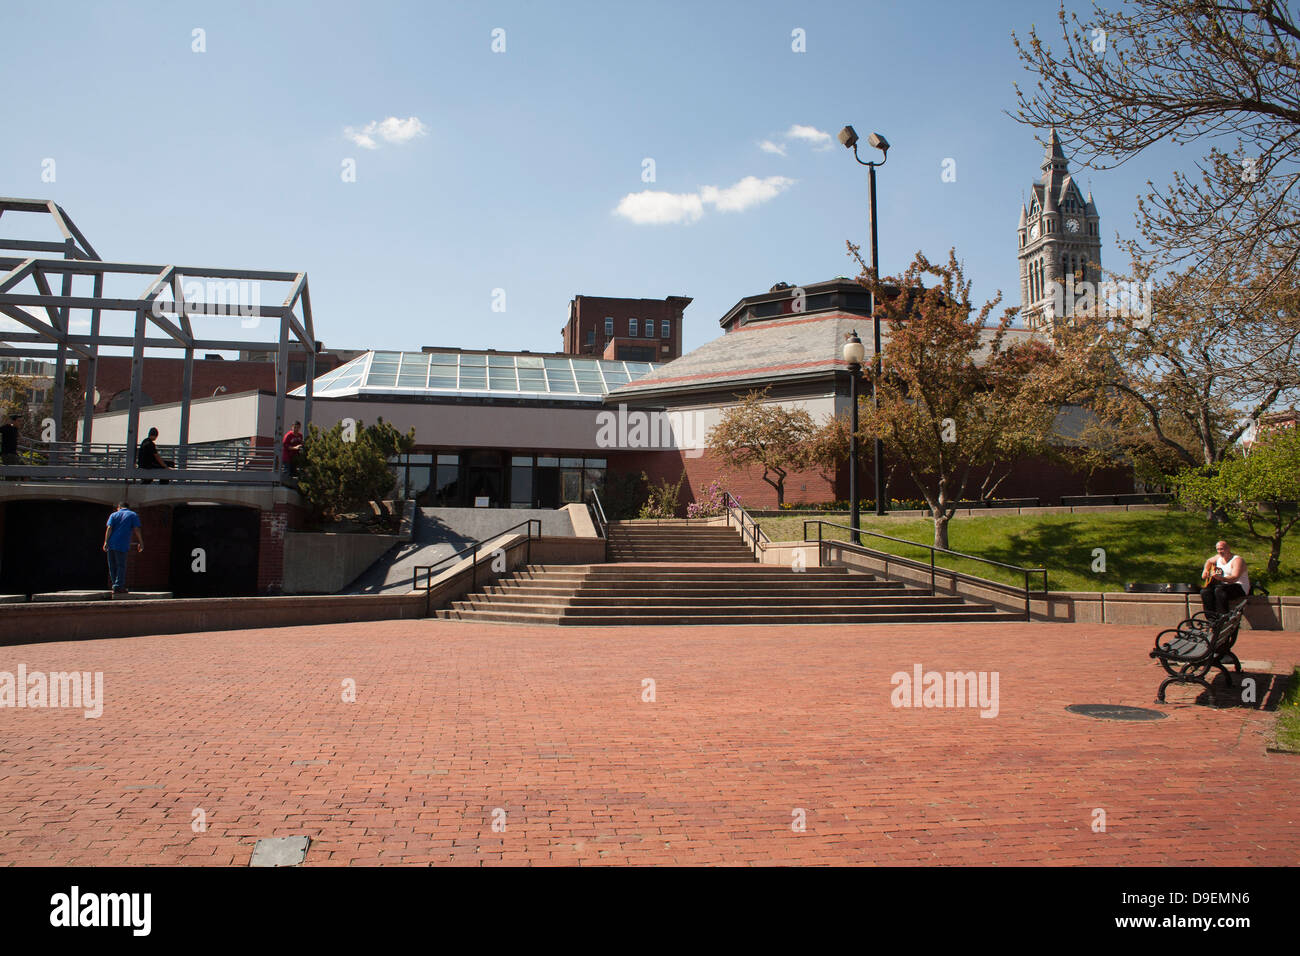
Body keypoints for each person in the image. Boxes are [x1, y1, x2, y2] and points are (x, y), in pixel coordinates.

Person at [1200, 540, 1250, 617]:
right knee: (1205, 591)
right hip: (1223, 586)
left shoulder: (1237, 560)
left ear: (1228, 549)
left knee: (1219, 590)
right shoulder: (1218, 557)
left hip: (1239, 587)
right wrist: (1205, 570)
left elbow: (1234, 578)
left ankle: (1223, 617)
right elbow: (1209, 561)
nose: (1220, 551)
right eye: (1218, 549)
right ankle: (1211, 618)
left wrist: (1221, 578)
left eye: (1222, 549)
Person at [103, 501, 143, 594]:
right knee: (121, 565)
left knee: (112, 566)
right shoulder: (133, 515)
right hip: (122, 543)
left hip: (111, 543)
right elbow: (137, 529)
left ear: (119, 507)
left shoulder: (113, 515)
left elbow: (109, 528)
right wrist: (141, 542)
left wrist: (105, 542)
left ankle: (115, 585)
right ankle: (119, 586)